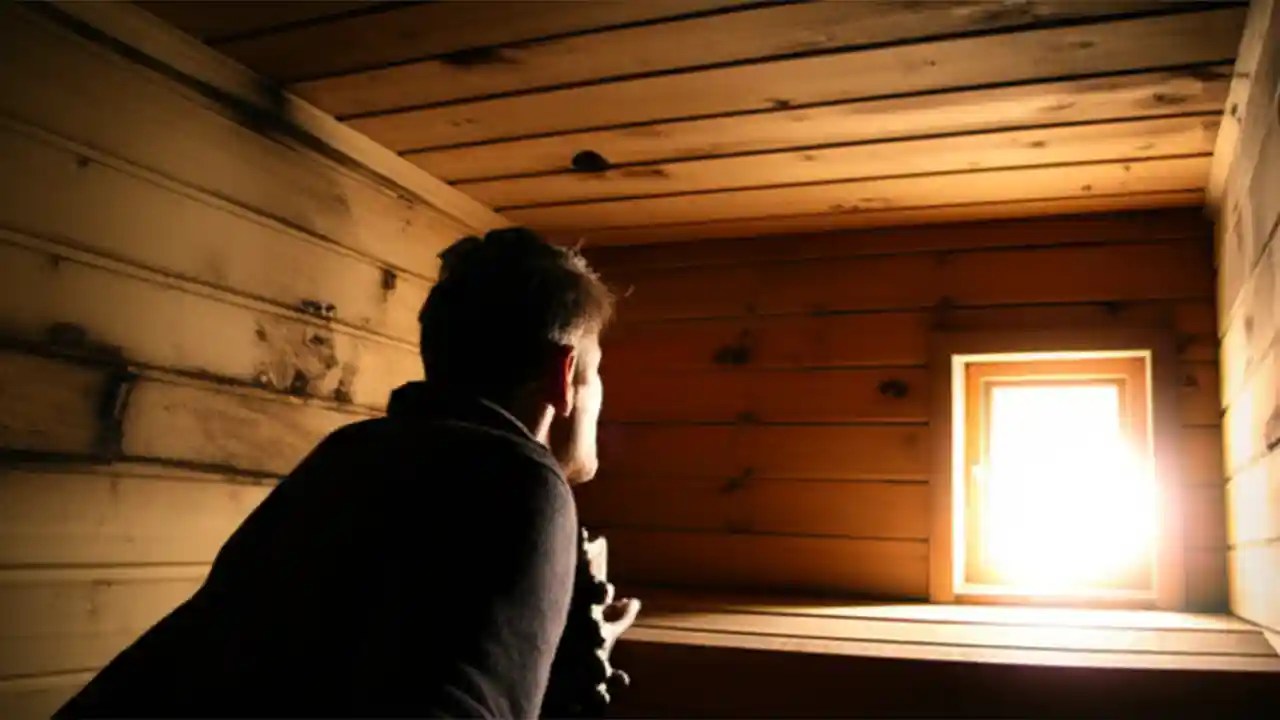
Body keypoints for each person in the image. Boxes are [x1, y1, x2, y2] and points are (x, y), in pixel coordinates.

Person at [55, 227, 640, 718]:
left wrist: (562, 651)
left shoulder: (353, 452)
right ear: (563, 375)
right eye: (596, 372)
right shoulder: (522, 479)